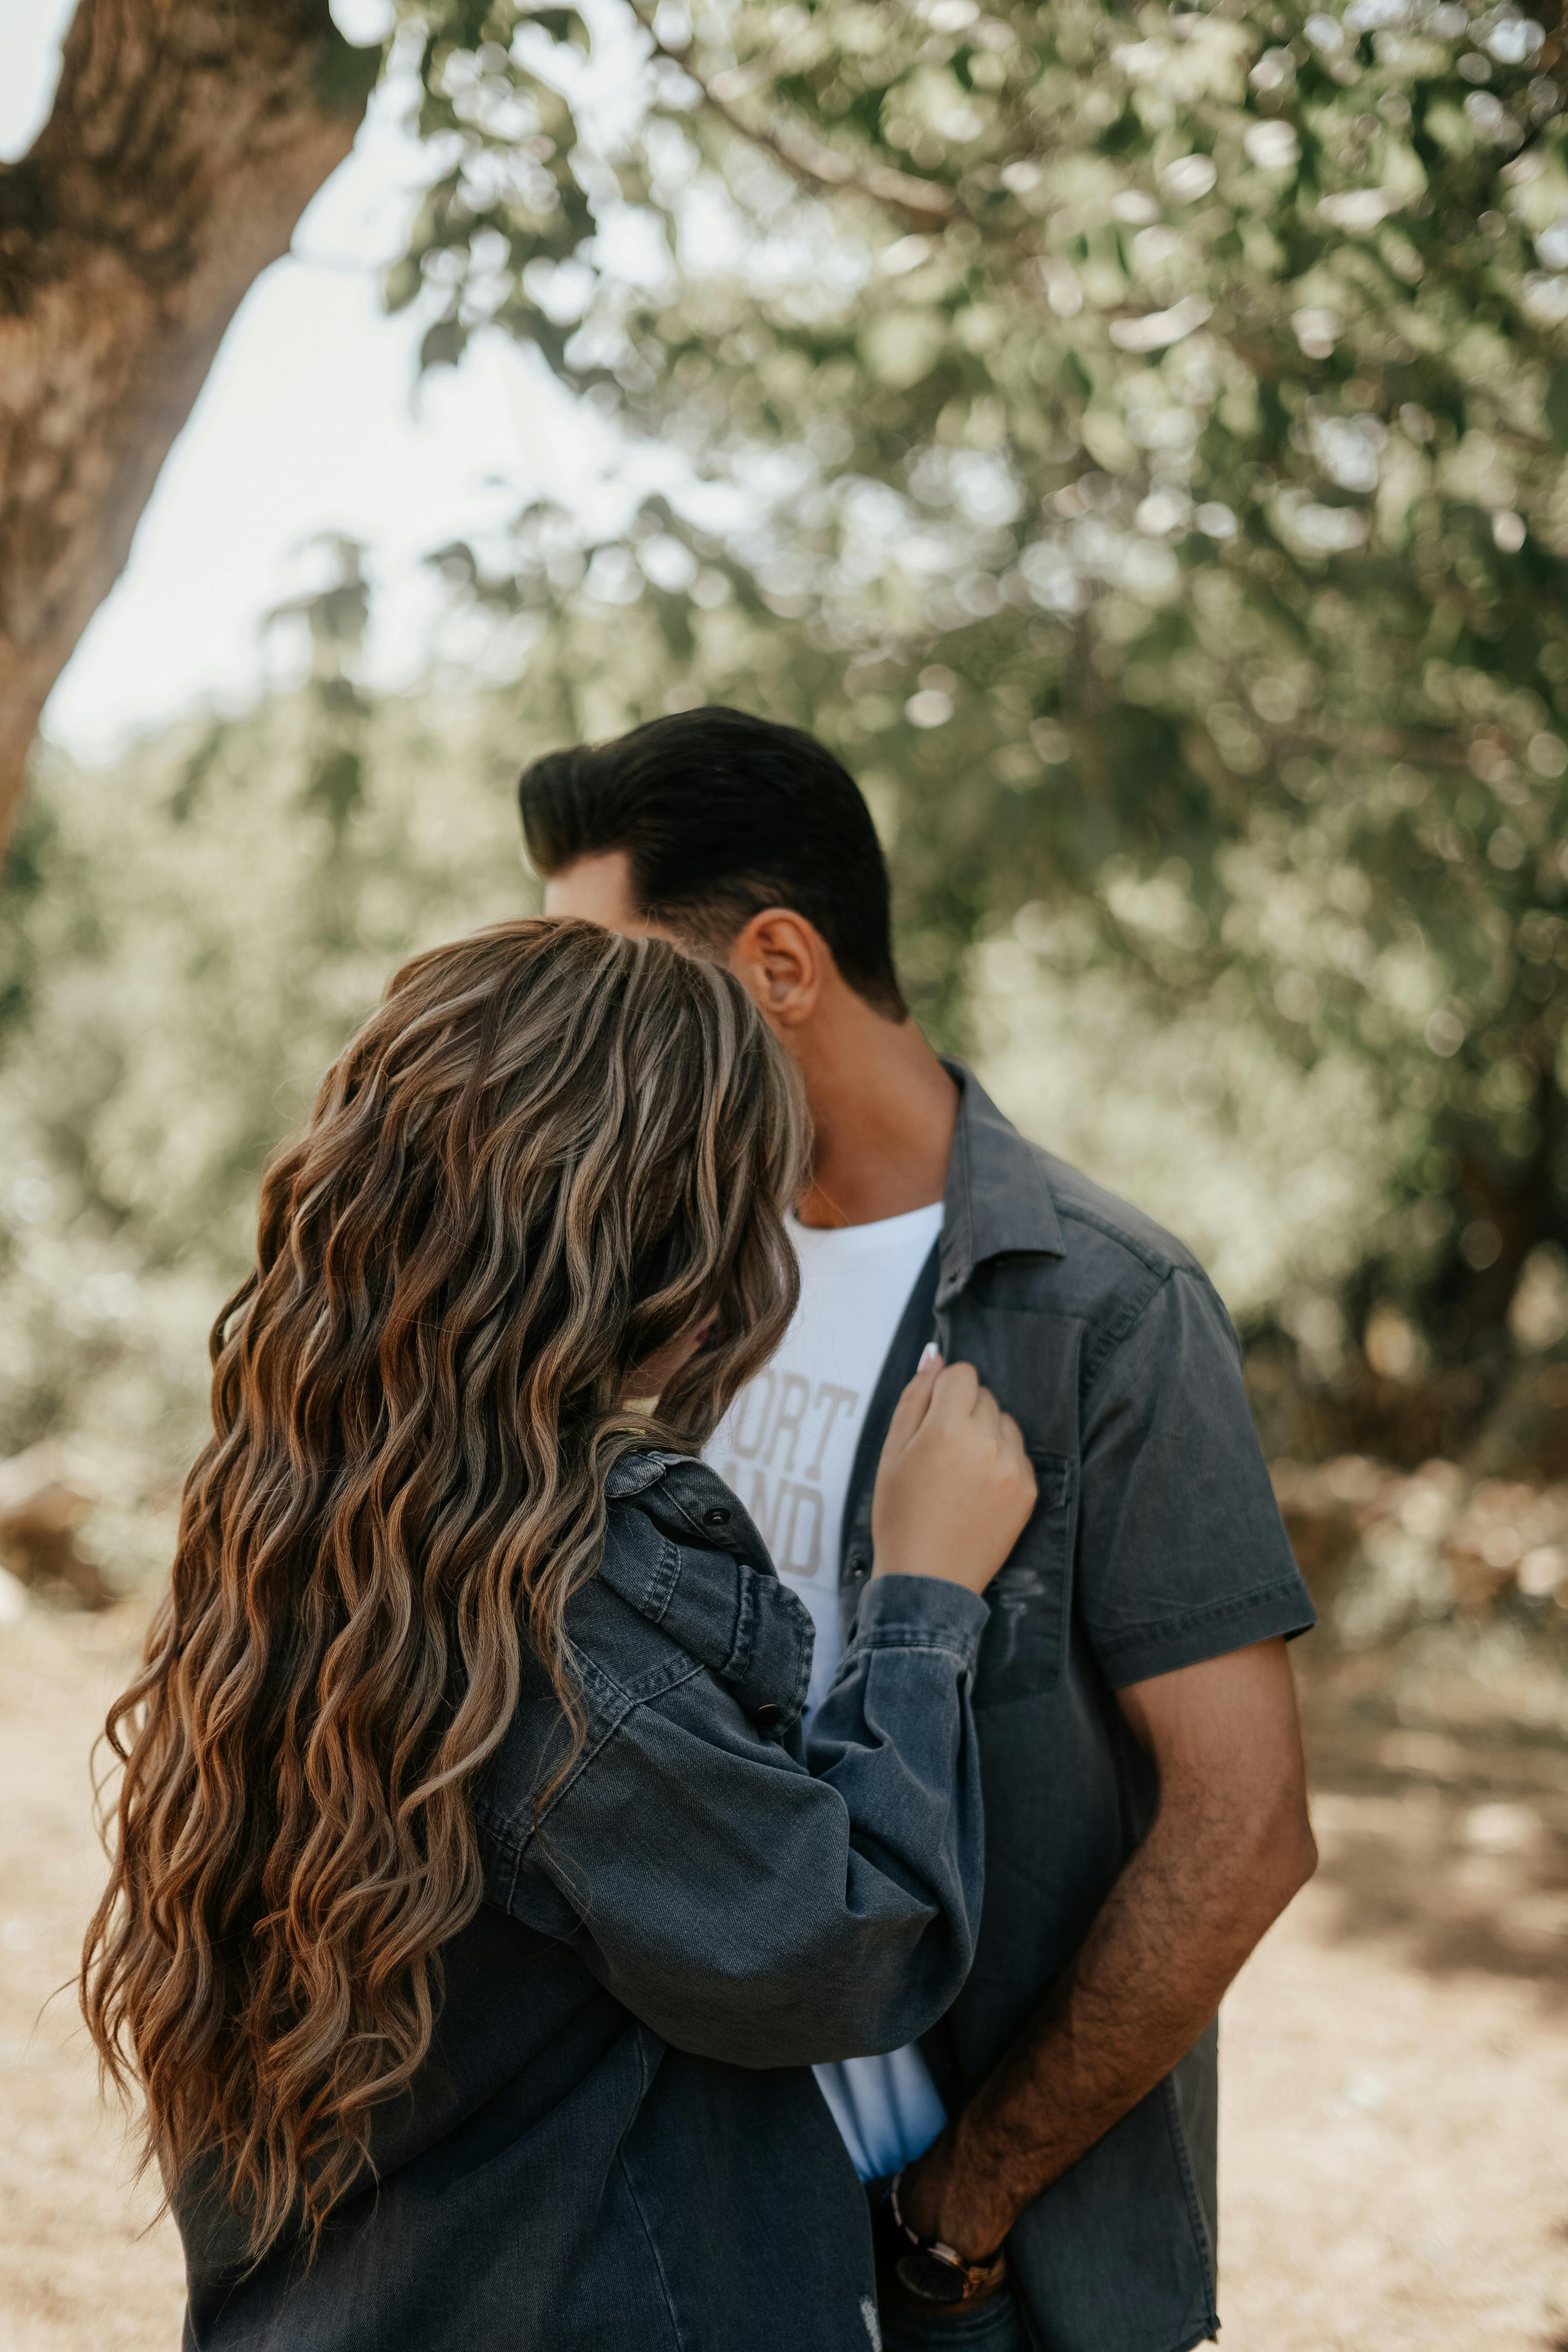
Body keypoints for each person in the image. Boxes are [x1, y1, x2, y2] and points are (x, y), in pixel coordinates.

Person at [80, 918, 1040, 2352]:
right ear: (670, 1259)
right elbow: (846, 1946)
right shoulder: (568, 1634)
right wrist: (923, 1599)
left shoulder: (312, 1522)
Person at [524, 708, 1322, 2352]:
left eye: (610, 980)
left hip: (982, 2281)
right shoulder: (642, 1298)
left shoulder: (1106, 1309)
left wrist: (962, 2206)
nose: (569, 1035)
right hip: (684, 2248)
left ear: (777, 966)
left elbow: (1242, 1830)